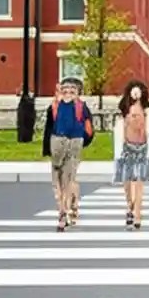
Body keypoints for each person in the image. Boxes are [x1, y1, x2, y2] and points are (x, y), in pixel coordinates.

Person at [41, 77, 95, 232]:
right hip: (57, 142)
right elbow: (49, 127)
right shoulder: (55, 106)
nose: (68, 93)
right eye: (65, 90)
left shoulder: (81, 107)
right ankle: (65, 207)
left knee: (69, 178)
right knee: (57, 178)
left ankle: (63, 212)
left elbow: (89, 129)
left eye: (72, 91)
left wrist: (81, 141)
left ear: (78, 93)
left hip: (74, 143)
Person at [114, 80, 149, 231]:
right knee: (127, 182)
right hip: (126, 148)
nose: (136, 93)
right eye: (133, 90)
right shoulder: (124, 110)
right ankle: (129, 205)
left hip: (142, 149)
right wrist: (118, 153)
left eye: (138, 90)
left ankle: (137, 213)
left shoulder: (148, 112)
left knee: (139, 182)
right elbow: (118, 132)